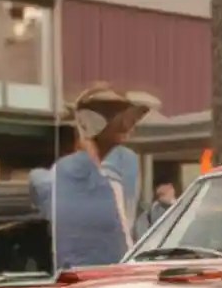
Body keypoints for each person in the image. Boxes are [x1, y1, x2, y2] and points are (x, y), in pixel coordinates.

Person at [30, 84, 150, 269]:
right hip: (118, 279)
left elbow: (39, 184)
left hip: (74, 284)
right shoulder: (126, 162)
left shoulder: (59, 174)